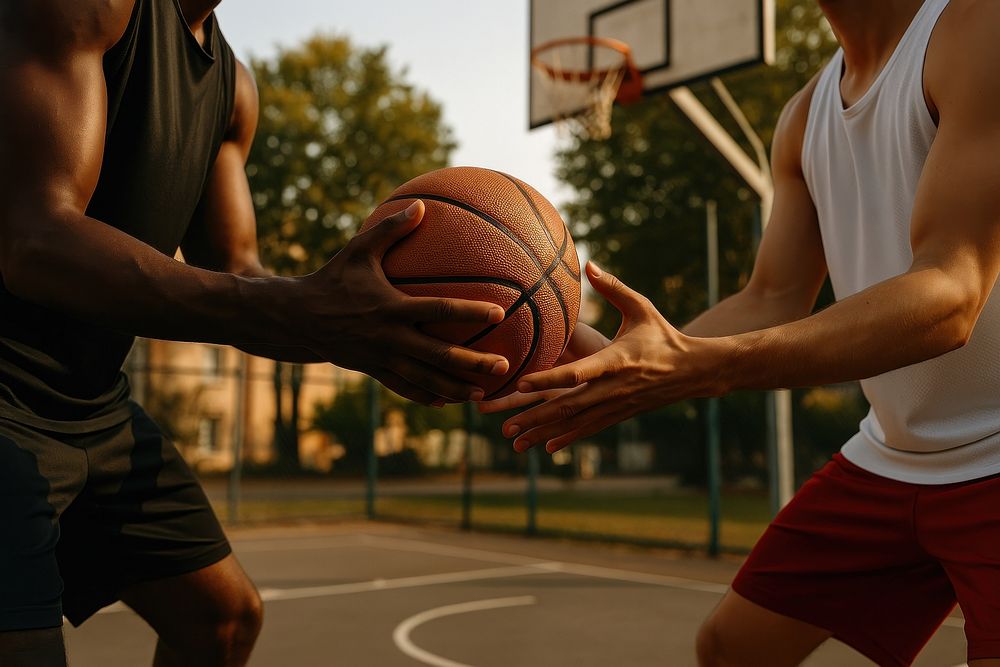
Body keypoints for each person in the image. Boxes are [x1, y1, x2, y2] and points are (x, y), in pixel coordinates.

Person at [481, 0, 1000, 664]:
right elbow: (772, 295)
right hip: (895, 454)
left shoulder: (973, 28)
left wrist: (703, 365)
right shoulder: (805, 117)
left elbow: (952, 291)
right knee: (732, 647)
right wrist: (622, 360)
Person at [0, 1, 510, 665]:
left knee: (223, 619)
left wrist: (371, 328)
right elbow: (36, 239)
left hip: (92, 403)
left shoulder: (233, 88)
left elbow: (236, 269)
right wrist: (308, 312)